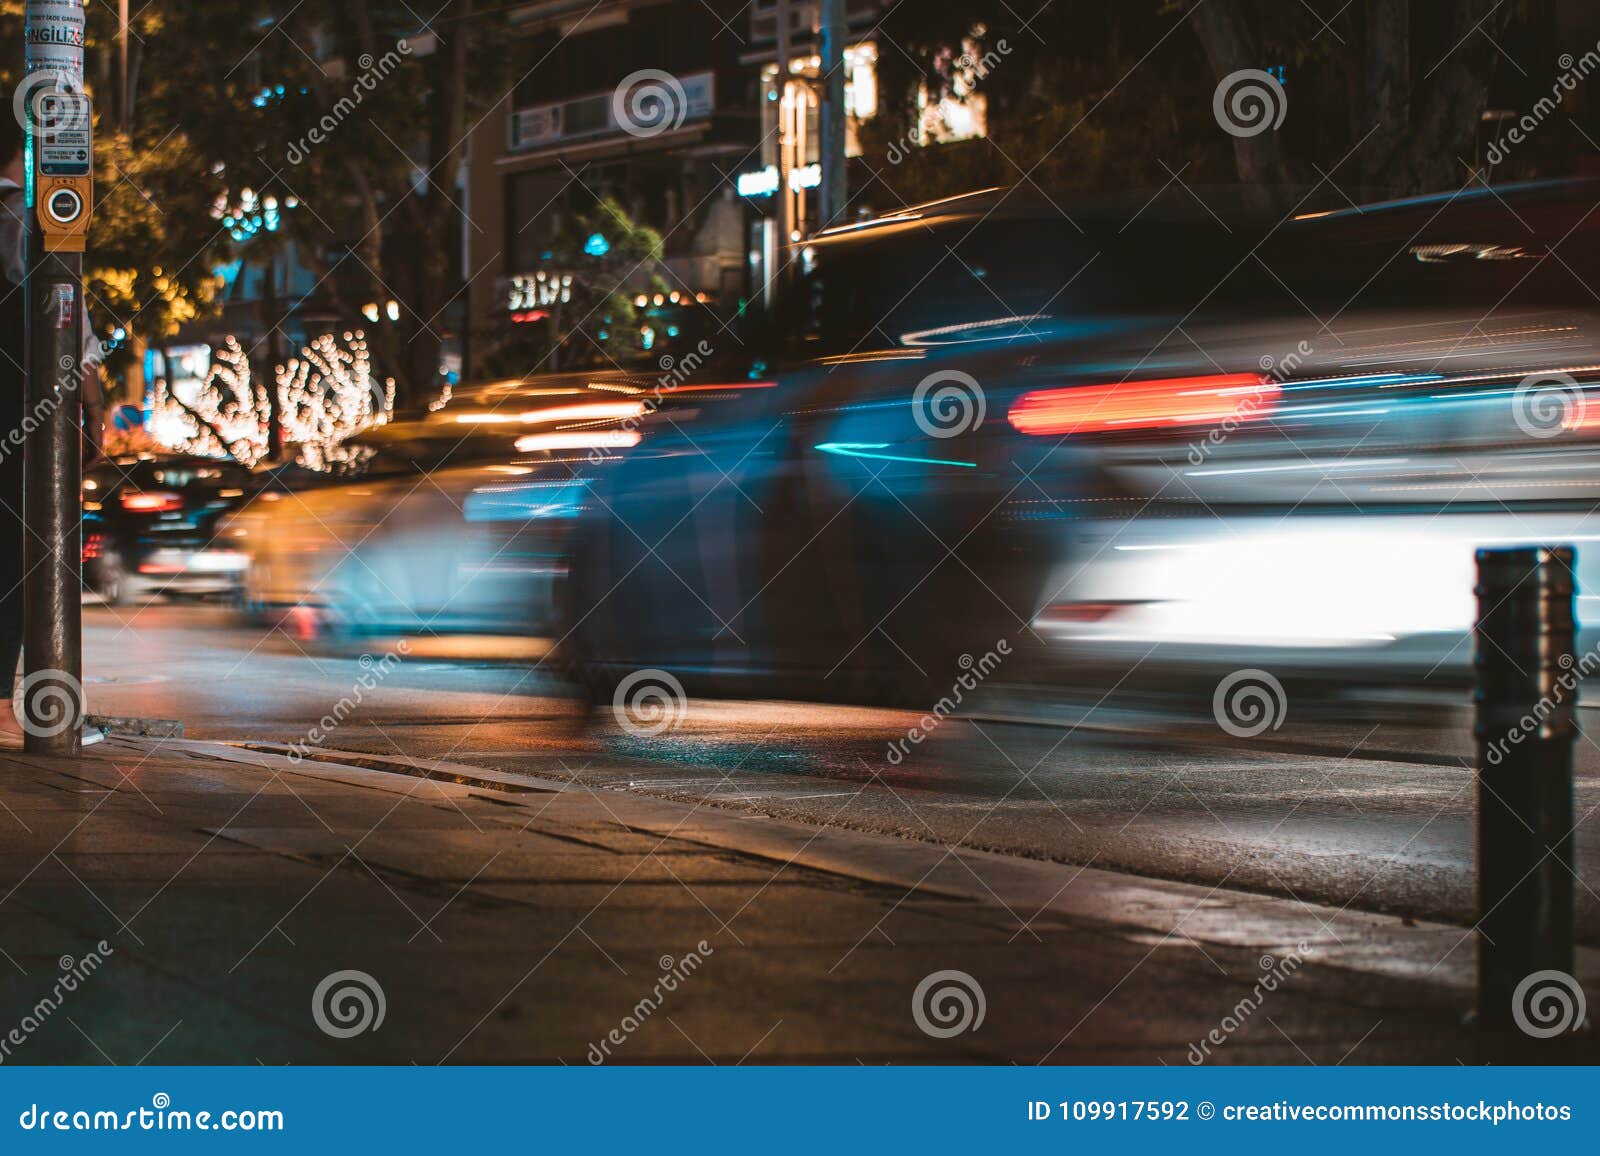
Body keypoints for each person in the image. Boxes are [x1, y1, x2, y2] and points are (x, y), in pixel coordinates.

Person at [0, 105, 105, 743]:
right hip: (17, 416)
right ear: (21, 150)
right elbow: (75, 332)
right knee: (15, 562)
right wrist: (92, 411)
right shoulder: (25, 224)